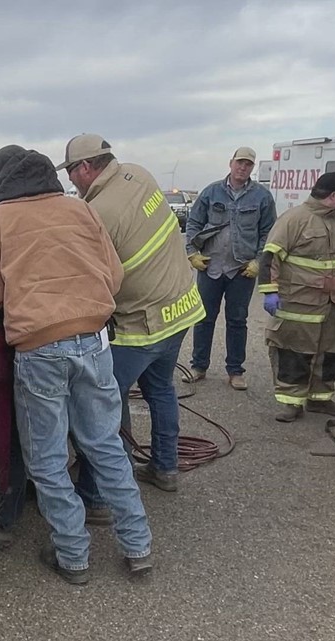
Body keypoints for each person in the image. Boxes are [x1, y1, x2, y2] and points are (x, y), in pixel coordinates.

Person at [0, 144, 153, 583]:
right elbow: (114, 274)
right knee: (105, 445)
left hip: (40, 349)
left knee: (48, 458)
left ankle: (72, 556)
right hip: (94, 341)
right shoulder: (79, 208)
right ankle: (139, 546)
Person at [56, 133, 205, 500]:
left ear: (86, 167)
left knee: (102, 407)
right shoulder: (138, 175)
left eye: (72, 172)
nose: (70, 181)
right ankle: (165, 467)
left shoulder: (98, 213)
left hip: (141, 325)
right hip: (180, 309)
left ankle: (97, 496)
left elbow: (88, 279)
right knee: (161, 390)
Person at [257, 172, 335, 422]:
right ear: (333, 196)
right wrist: (270, 292)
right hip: (299, 302)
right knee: (294, 353)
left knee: (332, 353)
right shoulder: (294, 219)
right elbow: (270, 258)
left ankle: (321, 399)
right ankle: (292, 403)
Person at [185, 146, 276, 390]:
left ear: (252, 168)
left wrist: (259, 260)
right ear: (231, 163)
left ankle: (235, 371)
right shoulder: (211, 192)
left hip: (241, 269)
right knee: (204, 319)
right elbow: (193, 223)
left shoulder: (262, 197)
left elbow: (268, 232)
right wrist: (192, 253)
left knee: (237, 320)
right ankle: (198, 366)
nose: (242, 168)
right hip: (211, 267)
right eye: (239, 163)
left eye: (248, 164)